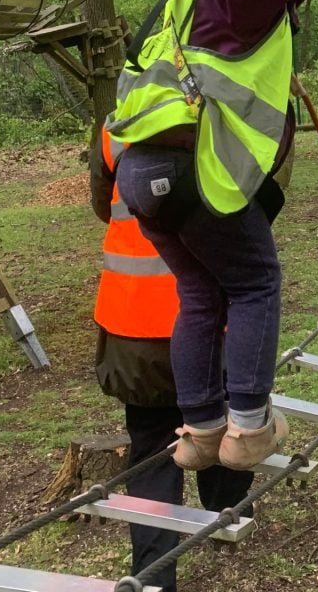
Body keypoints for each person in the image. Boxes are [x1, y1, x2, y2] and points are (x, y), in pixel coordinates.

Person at [106, 0, 318, 472]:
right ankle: (248, 428)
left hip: (141, 174)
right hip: (191, 170)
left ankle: (200, 430)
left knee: (200, 292)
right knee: (254, 282)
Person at [91, 124, 254, 592]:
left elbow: (103, 204)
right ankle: (228, 513)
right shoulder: (224, 115)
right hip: (212, 323)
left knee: (150, 451)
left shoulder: (115, 128)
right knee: (225, 420)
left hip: (134, 328)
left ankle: (154, 575)